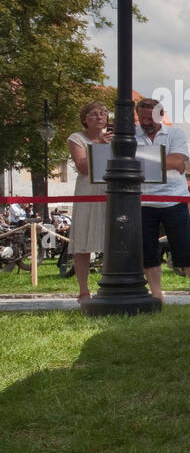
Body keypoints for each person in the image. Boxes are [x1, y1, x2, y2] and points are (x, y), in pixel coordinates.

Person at [135, 97, 190, 302]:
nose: (146, 121)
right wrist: (165, 161)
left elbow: (177, 161)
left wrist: (140, 159)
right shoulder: (131, 134)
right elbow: (172, 162)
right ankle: (157, 295)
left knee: (186, 247)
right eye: (142, 117)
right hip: (143, 201)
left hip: (174, 198)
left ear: (161, 115)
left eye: (150, 117)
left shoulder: (175, 133)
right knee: (148, 251)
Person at [66, 101, 110, 307]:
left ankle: (110, 284)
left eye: (103, 114)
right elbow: (83, 166)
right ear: (85, 119)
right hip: (88, 192)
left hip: (110, 192)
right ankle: (83, 290)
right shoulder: (77, 138)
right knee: (82, 240)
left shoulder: (115, 139)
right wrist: (100, 145)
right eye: (94, 114)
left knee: (113, 239)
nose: (100, 117)